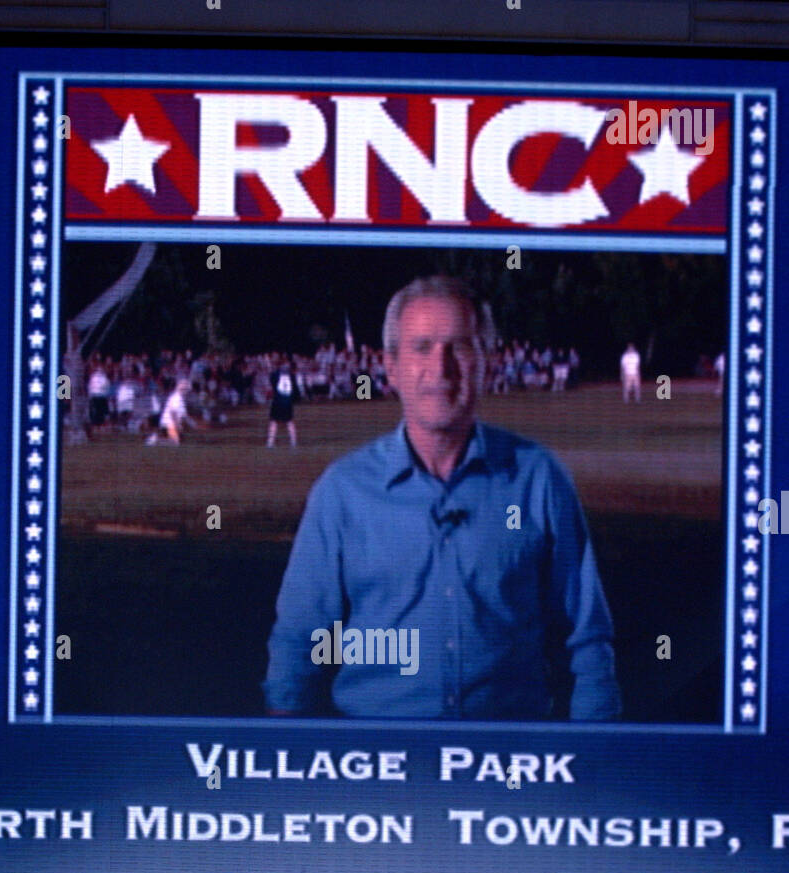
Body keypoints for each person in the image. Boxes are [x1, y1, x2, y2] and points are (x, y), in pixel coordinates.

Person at [263, 275, 620, 720]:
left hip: (507, 767)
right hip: (377, 766)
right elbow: (299, 643)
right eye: (422, 347)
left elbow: (585, 640)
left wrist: (596, 754)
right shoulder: (343, 492)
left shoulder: (538, 479)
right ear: (390, 367)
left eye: (460, 346)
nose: (442, 367)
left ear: (486, 362)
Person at [266, 355, 299, 447]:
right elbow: (294, 389)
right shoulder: (291, 375)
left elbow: (273, 385)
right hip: (287, 401)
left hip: (278, 400)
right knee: (289, 421)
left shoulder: (274, 374)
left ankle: (270, 442)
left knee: (274, 421)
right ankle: (293, 441)